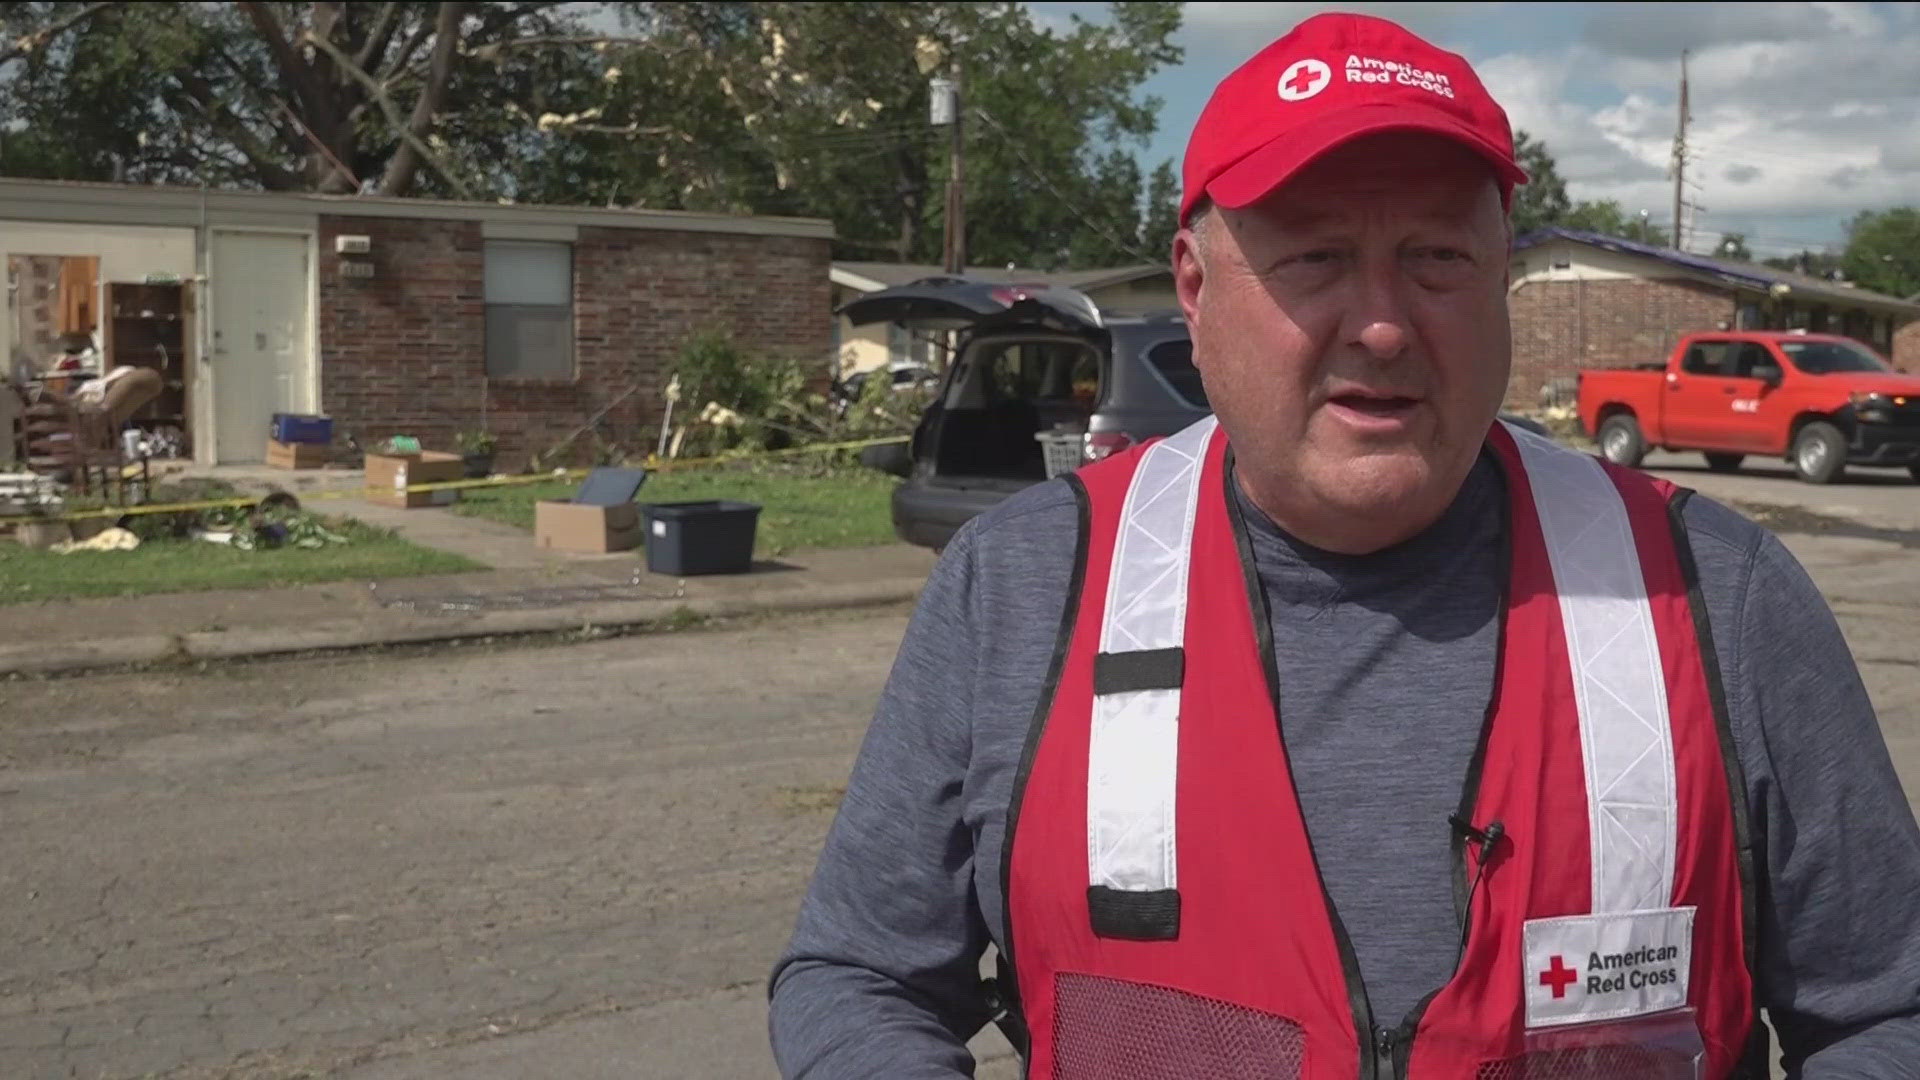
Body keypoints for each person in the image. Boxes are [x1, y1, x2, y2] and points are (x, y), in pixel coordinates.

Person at [768, 12, 1920, 1079]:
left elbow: (1886, 1011)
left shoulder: (1716, 595)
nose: (1381, 323)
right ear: (1196, 291)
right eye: (1314, 258)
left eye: (1438, 260)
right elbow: (860, 977)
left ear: (1501, 285)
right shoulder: (1018, 587)